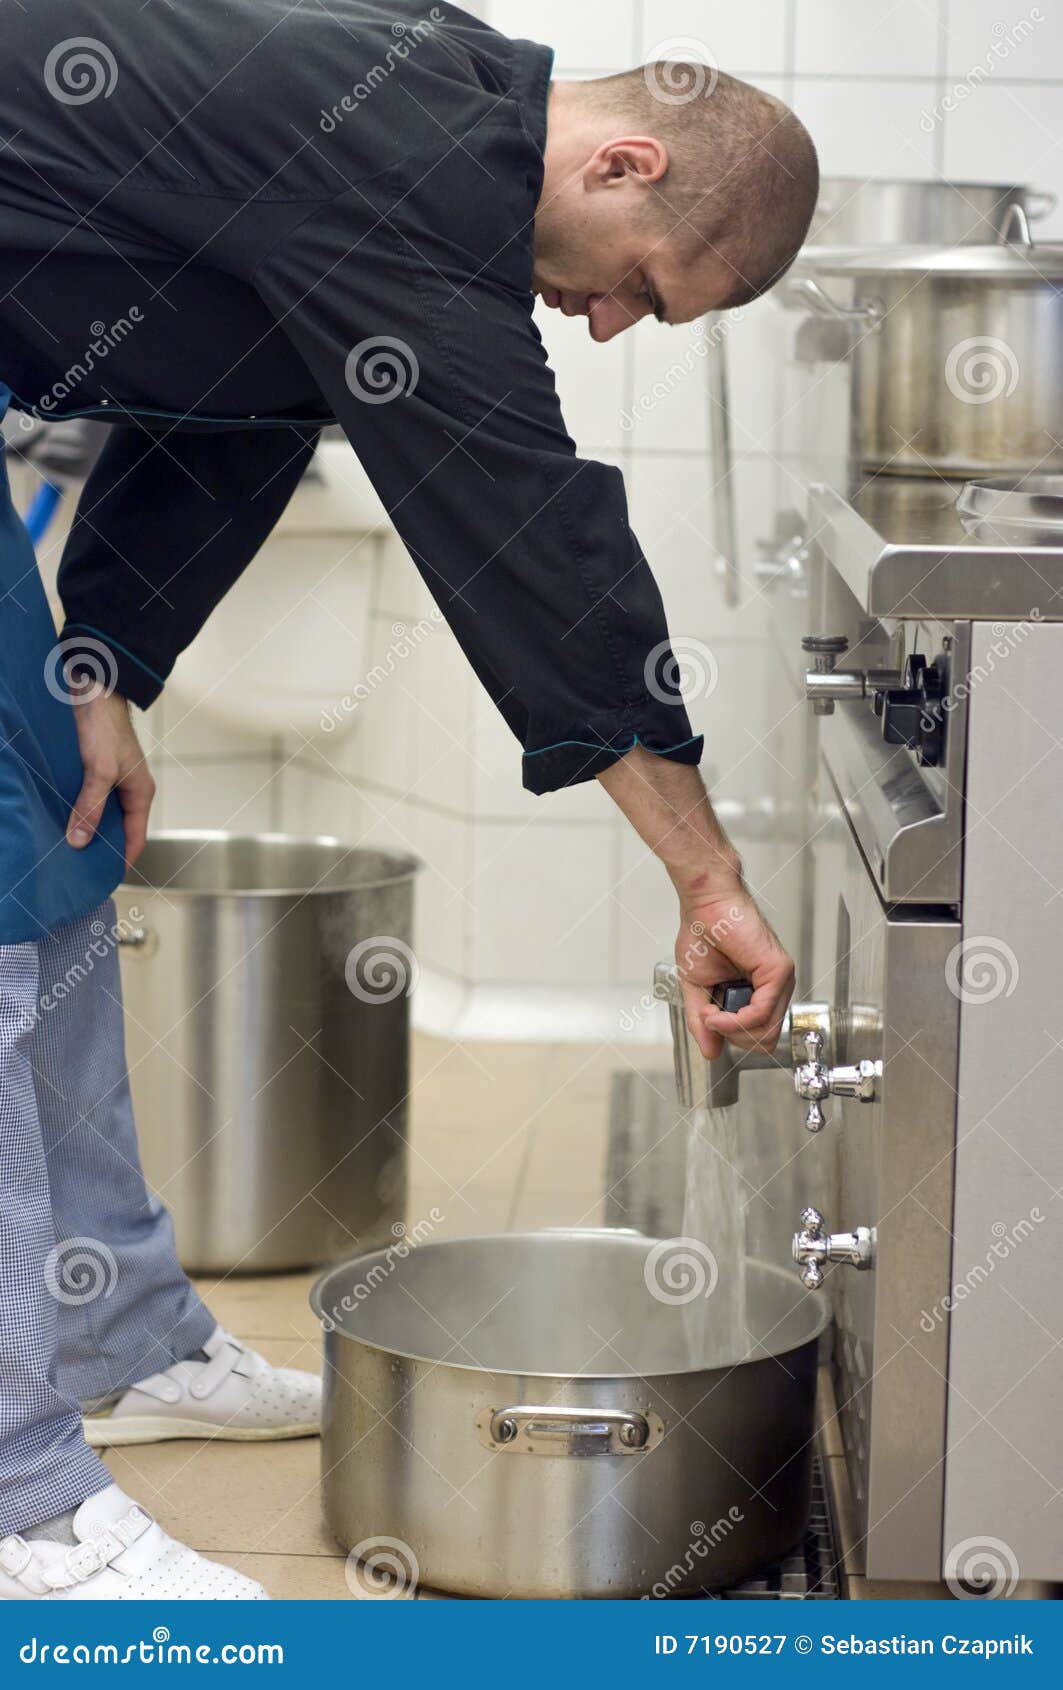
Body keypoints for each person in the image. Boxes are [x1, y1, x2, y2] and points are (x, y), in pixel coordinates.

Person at [0, 1, 816, 1598]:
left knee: (58, 842)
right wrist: (706, 876)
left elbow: (229, 399)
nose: (604, 327)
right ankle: (23, 1499)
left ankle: (117, 1327)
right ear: (627, 161)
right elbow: (527, 534)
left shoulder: (431, 106)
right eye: (644, 291)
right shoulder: (414, 156)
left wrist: (105, 657)